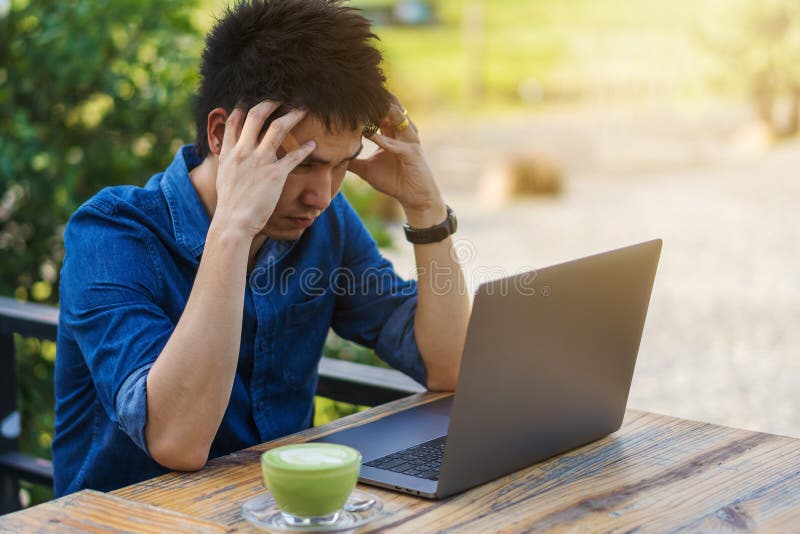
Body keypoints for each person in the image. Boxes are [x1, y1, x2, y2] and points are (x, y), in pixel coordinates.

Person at [52, 0, 470, 496]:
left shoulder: (325, 223)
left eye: (341, 164)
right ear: (221, 135)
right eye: (300, 164)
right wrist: (234, 227)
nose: (322, 195)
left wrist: (425, 209)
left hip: (278, 511)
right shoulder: (111, 234)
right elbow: (177, 441)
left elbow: (449, 366)